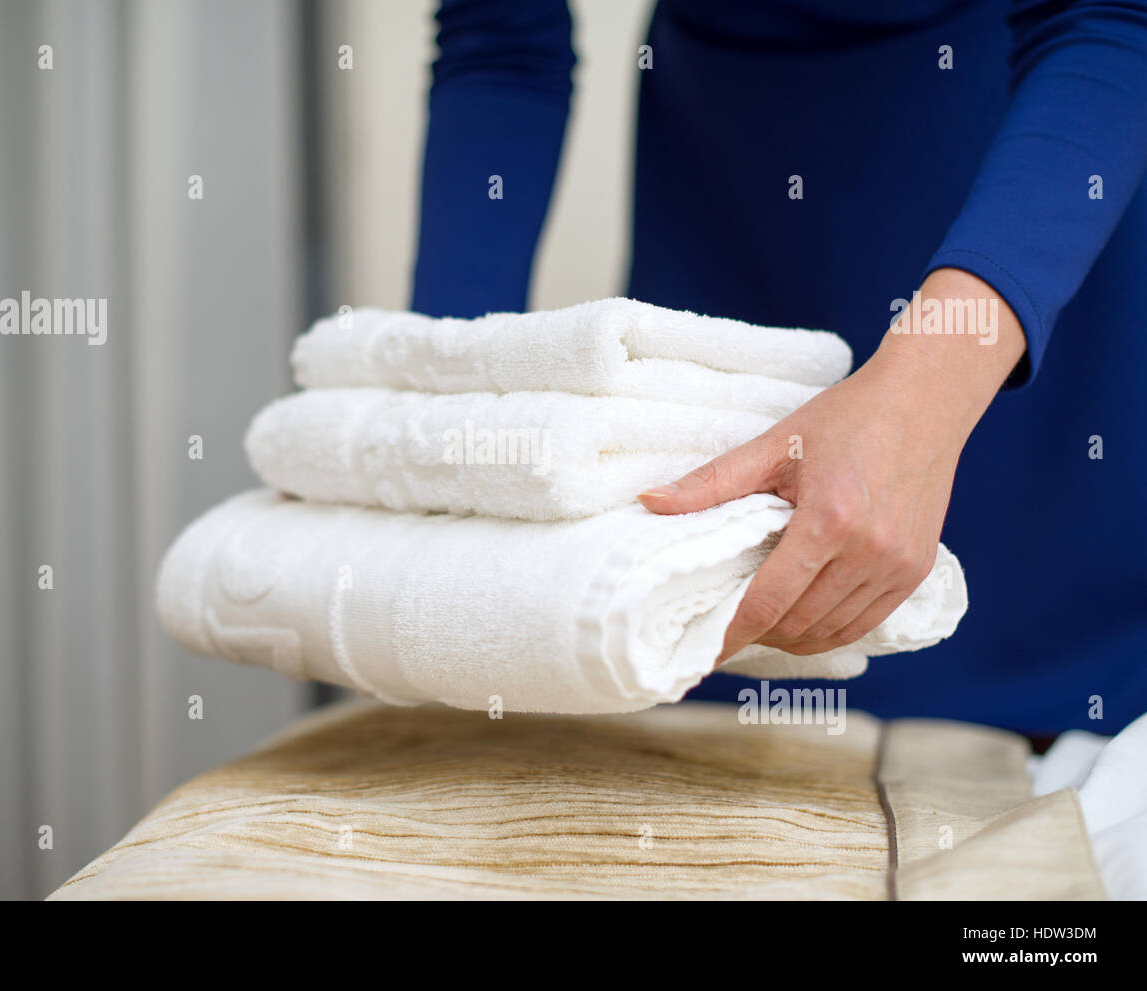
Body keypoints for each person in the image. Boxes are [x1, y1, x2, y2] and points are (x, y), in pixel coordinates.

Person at [409, 0, 1147, 735]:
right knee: (704, 714)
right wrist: (444, 409)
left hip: (1009, 238)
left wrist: (926, 397)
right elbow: (499, 41)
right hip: (722, 241)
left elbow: (1110, 14)